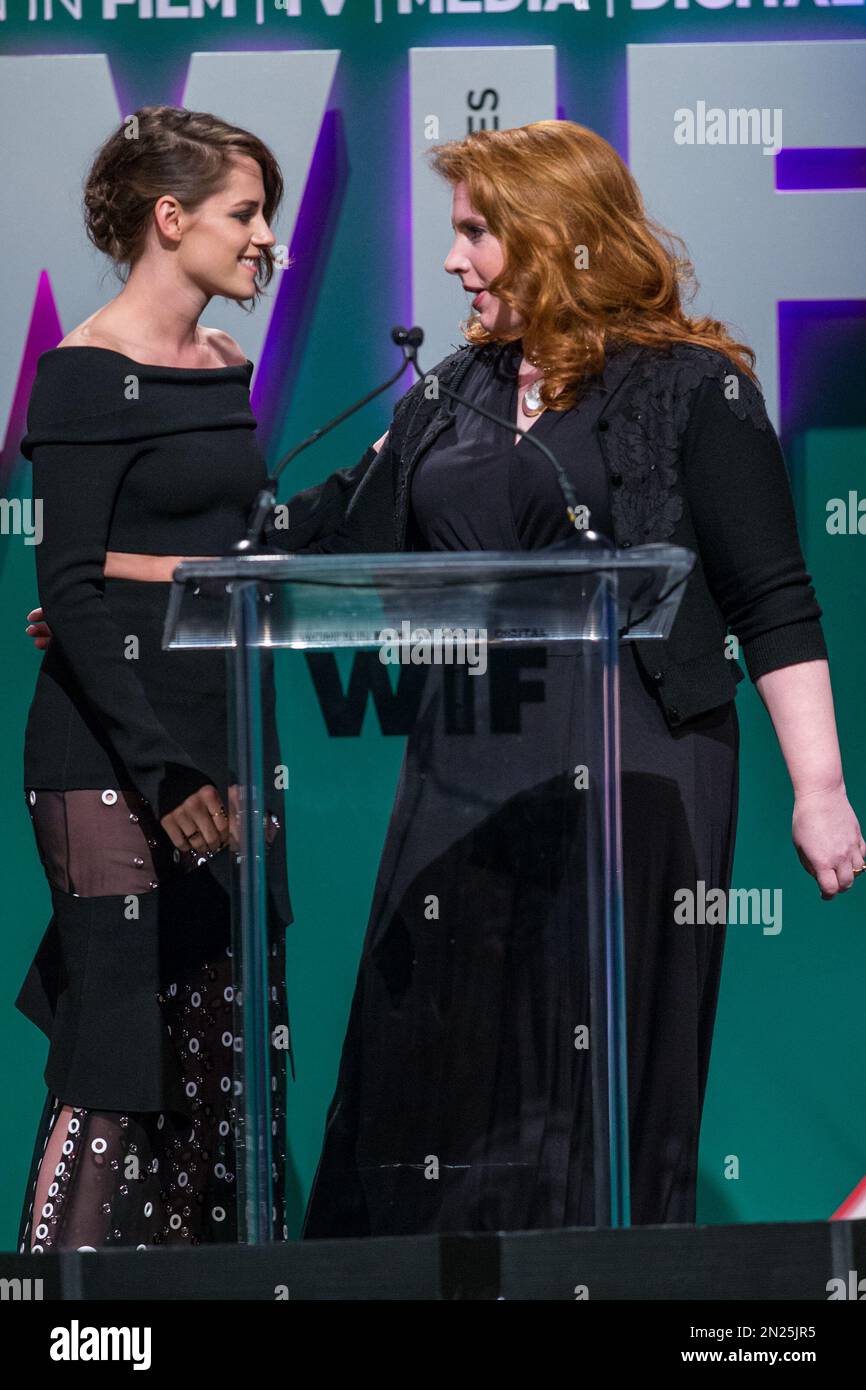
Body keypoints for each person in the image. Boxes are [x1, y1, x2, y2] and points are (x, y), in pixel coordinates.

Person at [25, 119, 866, 1238]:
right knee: (438, 1058)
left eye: (476, 234)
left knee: (593, 1065)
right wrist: (139, 597)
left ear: (553, 236)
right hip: (467, 769)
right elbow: (322, 530)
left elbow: (770, 597)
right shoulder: (454, 389)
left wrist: (817, 786)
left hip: (638, 769)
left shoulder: (690, 389)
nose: (453, 259)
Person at [16, 105, 293, 1251]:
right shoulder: (82, 371)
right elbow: (72, 591)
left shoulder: (225, 363)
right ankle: (52, 1324)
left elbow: (243, 543)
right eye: (244, 212)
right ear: (169, 220)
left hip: (218, 742)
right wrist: (166, 767)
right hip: (114, 759)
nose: (265, 235)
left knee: (214, 1069)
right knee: (121, 1062)